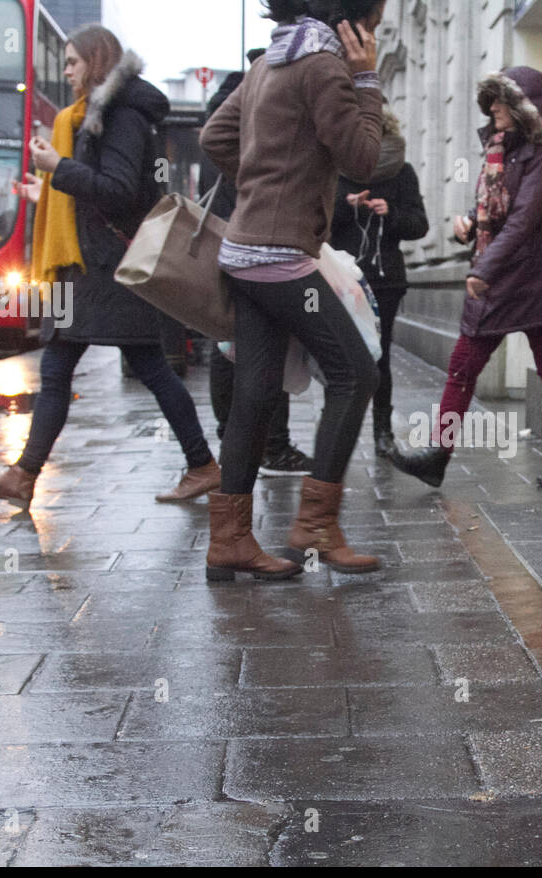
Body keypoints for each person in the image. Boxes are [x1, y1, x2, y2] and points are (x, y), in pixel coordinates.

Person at [0, 25, 218, 511]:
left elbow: (119, 190)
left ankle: (202, 464)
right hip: (86, 266)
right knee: (67, 365)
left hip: (105, 266)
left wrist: (58, 167)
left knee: (145, 367)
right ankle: (25, 475)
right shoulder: (93, 115)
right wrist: (51, 188)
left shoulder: (120, 115)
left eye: (72, 63)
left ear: (96, 62)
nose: (66, 73)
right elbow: (100, 192)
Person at [199, 0, 385, 581]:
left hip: (244, 250)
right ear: (355, 18)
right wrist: (368, 81)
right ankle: (315, 528)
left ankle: (230, 540)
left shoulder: (269, 60)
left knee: (255, 390)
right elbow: (363, 158)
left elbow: (213, 137)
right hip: (280, 257)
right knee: (357, 372)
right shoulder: (324, 65)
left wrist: (264, 185)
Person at [388, 67, 542, 488]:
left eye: (502, 99)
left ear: (524, 106)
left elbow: (522, 221)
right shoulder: (499, 149)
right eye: (492, 100)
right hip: (501, 273)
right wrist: (467, 221)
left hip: (534, 276)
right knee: (463, 363)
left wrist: (483, 267)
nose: (494, 107)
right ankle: (438, 455)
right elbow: (494, 211)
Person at [200, 54, 315, 477]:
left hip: (235, 234)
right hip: (250, 235)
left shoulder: (233, 99)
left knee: (233, 340)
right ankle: (265, 446)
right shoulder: (247, 96)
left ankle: (242, 442)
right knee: (256, 342)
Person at [329, 106, 429, 458]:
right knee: (340, 357)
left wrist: (394, 213)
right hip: (340, 278)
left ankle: (382, 432)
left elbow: (420, 225)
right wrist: (347, 205)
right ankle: (338, 431)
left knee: (379, 357)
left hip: (384, 278)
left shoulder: (402, 172)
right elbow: (318, 222)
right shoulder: (334, 168)